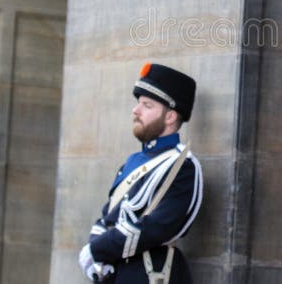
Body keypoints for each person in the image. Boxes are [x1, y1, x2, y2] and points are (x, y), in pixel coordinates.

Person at [79, 62, 204, 283]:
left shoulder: (182, 166)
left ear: (170, 117)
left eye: (147, 105)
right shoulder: (133, 162)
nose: (135, 111)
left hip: (150, 274)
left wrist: (98, 249)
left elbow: (158, 227)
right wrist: (95, 253)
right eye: (138, 103)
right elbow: (109, 216)